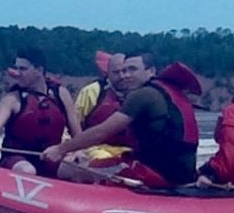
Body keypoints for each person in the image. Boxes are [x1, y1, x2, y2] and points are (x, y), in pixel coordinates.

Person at [43, 52, 202, 189]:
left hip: (154, 173)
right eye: (124, 70)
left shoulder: (142, 95)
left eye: (132, 70)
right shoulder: (172, 93)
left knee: (69, 169)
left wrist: (60, 149)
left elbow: (102, 132)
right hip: (183, 173)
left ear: (150, 71)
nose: (126, 75)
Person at [0, 48, 81, 171]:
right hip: (16, 160)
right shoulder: (12, 99)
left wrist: (75, 153)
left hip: (51, 158)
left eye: (23, 69)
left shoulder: (61, 95)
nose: (17, 73)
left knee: (81, 168)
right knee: (27, 170)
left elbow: (78, 135)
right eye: (16, 68)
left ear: (39, 70)